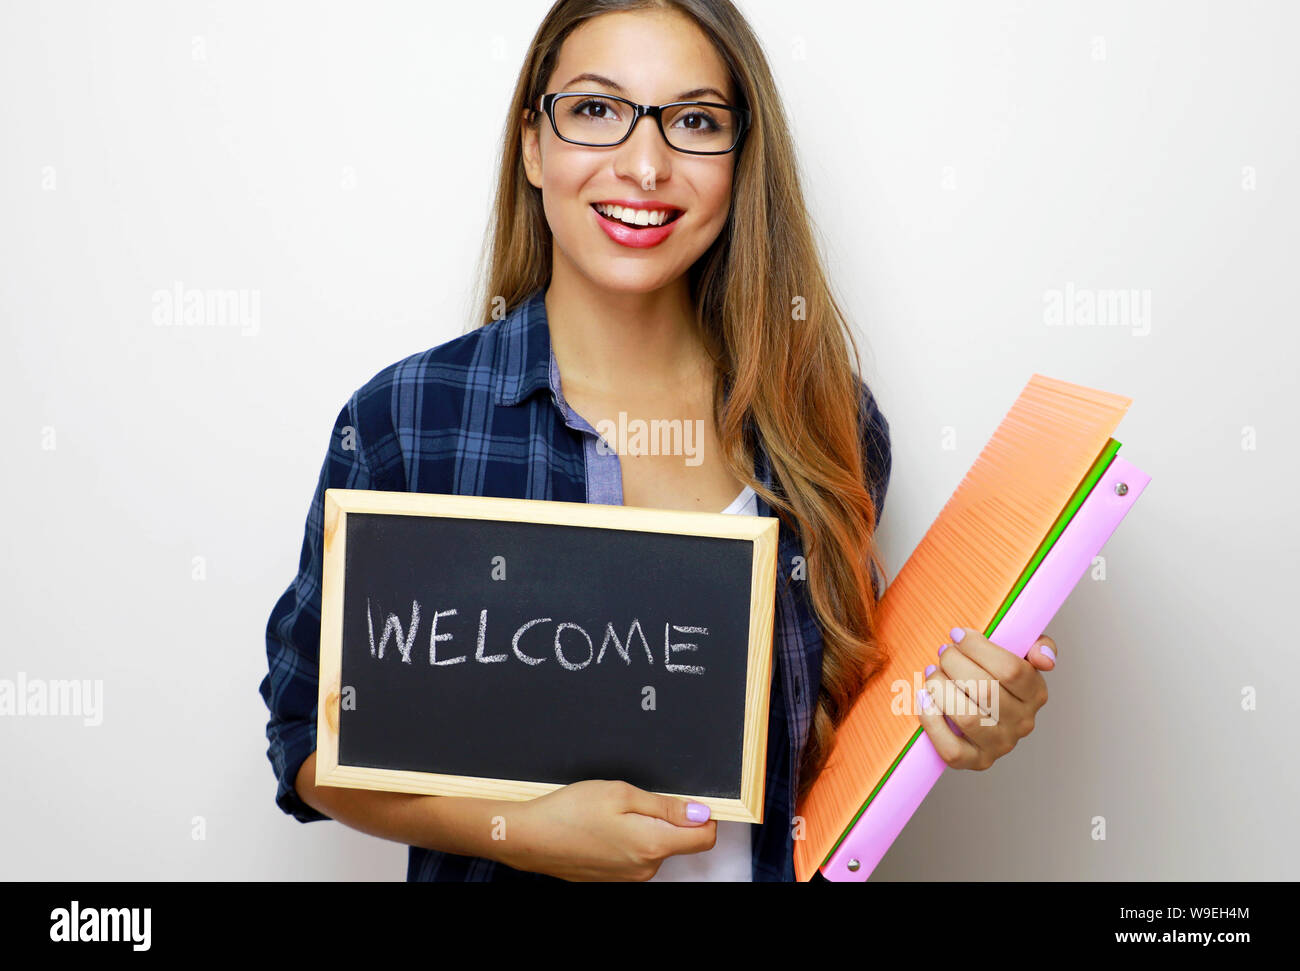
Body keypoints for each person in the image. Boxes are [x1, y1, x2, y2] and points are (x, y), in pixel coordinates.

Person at [259, 0, 1057, 883]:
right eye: (597, 110)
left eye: (695, 122)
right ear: (533, 143)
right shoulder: (405, 421)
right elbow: (305, 739)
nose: (645, 166)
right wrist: (516, 830)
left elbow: (837, 730)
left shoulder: (824, 422)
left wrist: (958, 716)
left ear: (740, 159)